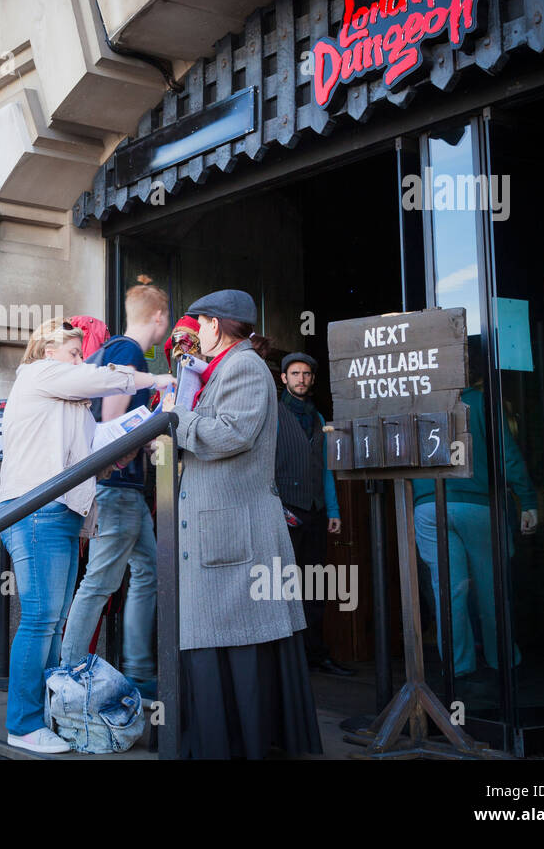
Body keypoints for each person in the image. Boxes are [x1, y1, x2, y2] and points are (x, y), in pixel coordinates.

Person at [0, 318, 174, 754]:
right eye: (73, 352)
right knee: (40, 620)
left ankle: (44, 716)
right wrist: (154, 376)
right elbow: (99, 378)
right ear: (47, 350)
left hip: (61, 514)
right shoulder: (40, 372)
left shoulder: (66, 399)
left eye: (81, 352)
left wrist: (119, 454)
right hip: (39, 512)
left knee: (51, 622)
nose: (81, 359)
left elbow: (84, 457)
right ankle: (22, 724)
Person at [164, 289, 322, 759]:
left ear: (215, 325)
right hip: (220, 527)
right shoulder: (225, 367)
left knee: (236, 642)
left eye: (199, 324)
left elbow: (233, 433)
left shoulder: (246, 365)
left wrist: (176, 420)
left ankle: (233, 747)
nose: (194, 332)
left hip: (233, 529)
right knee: (220, 640)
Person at [61, 278, 169, 699]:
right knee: (101, 582)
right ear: (159, 318)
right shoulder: (126, 351)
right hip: (117, 488)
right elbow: (111, 421)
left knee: (145, 572)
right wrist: (154, 431)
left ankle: (139, 670)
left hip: (122, 491)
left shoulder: (109, 351)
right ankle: (70, 673)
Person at [411, 374, 538, 678]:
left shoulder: (414, 400)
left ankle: (459, 668)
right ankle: (502, 661)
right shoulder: (481, 402)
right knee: (491, 587)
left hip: (428, 504)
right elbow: (505, 453)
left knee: (449, 591)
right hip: (476, 503)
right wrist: (527, 499)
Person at [275, 351, 353, 677]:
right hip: (284, 510)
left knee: (316, 585)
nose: (301, 379)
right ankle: (287, 661)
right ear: (284, 378)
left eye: (306, 374)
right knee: (282, 587)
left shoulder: (319, 419)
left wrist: (332, 509)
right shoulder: (273, 413)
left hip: (316, 510)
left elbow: (324, 470)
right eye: (295, 374)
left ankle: (316, 655)